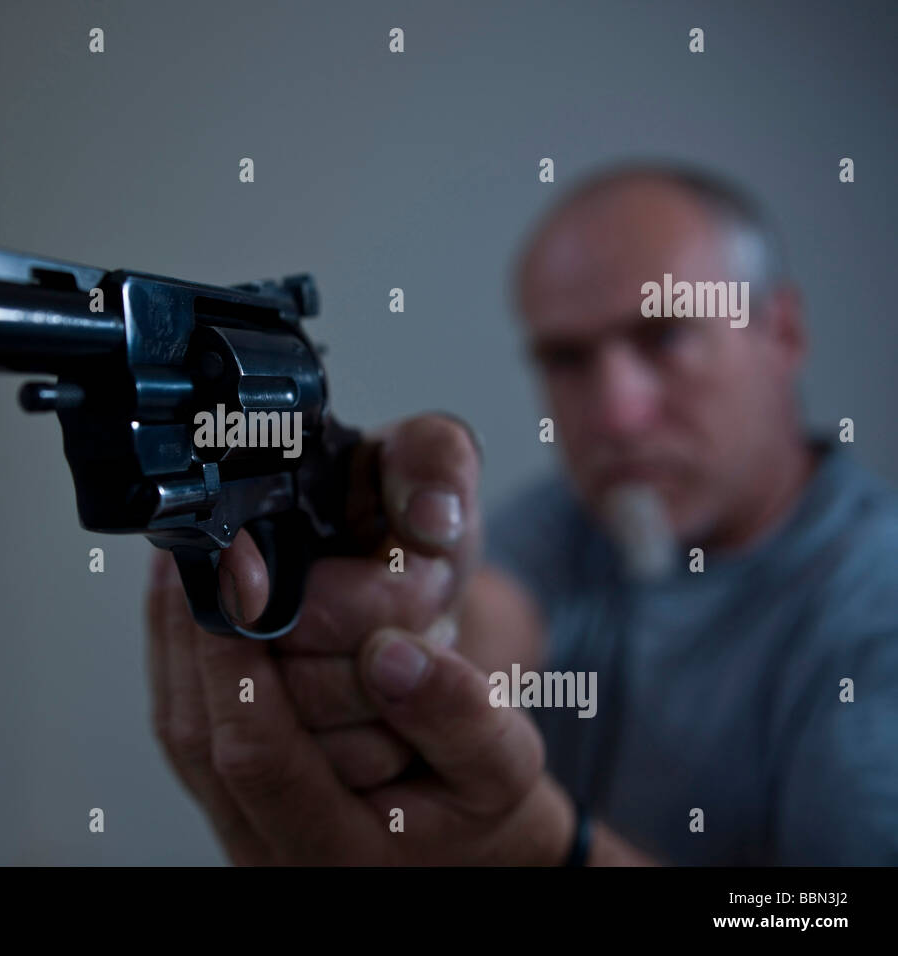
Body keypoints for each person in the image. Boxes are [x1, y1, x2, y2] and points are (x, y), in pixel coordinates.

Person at [144, 164, 898, 865]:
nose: (616, 415)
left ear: (785, 333)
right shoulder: (593, 517)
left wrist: (534, 847)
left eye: (664, 335)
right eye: (567, 359)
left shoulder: (876, 615)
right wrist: (376, 635)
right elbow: (477, 618)